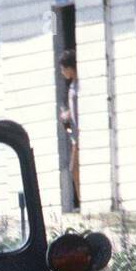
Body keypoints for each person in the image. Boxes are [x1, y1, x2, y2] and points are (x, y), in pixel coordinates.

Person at [58, 49, 80, 209]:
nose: (62, 72)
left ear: (70, 67)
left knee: (74, 169)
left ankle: (83, 202)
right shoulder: (72, 85)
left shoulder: (79, 85)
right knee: (74, 169)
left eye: (63, 68)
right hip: (76, 134)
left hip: (81, 134)